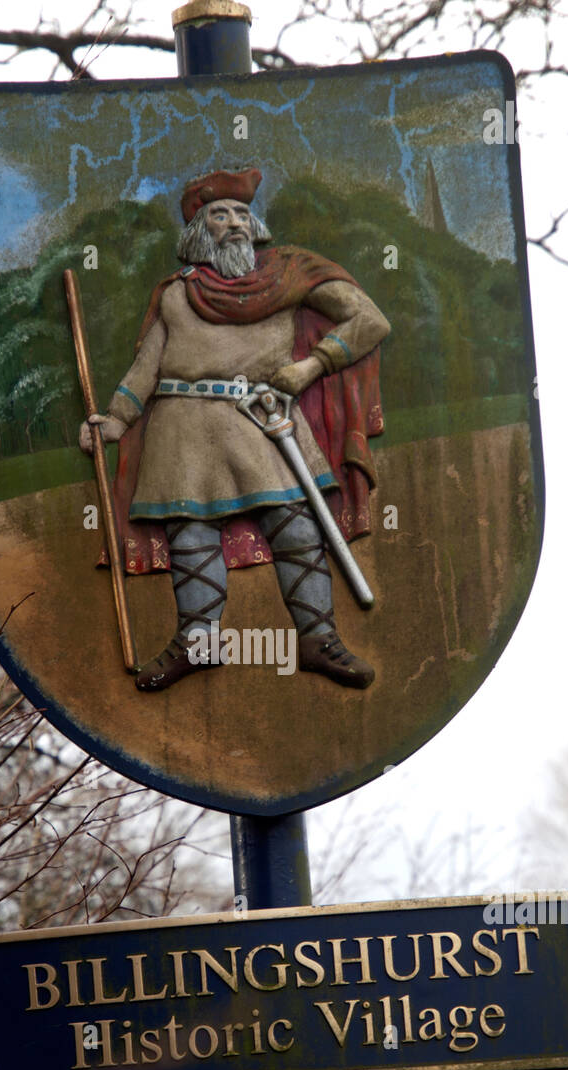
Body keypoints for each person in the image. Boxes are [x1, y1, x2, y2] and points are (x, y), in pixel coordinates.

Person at [80, 166, 390, 692]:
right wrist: (115, 420)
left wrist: (311, 366)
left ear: (257, 225)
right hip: (182, 430)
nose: (234, 224)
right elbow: (146, 368)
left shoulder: (290, 276)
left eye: (242, 214)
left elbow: (370, 321)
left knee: (296, 528)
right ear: (199, 231)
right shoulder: (177, 293)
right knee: (190, 534)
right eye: (219, 215)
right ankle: (197, 644)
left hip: (260, 419)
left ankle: (317, 640)